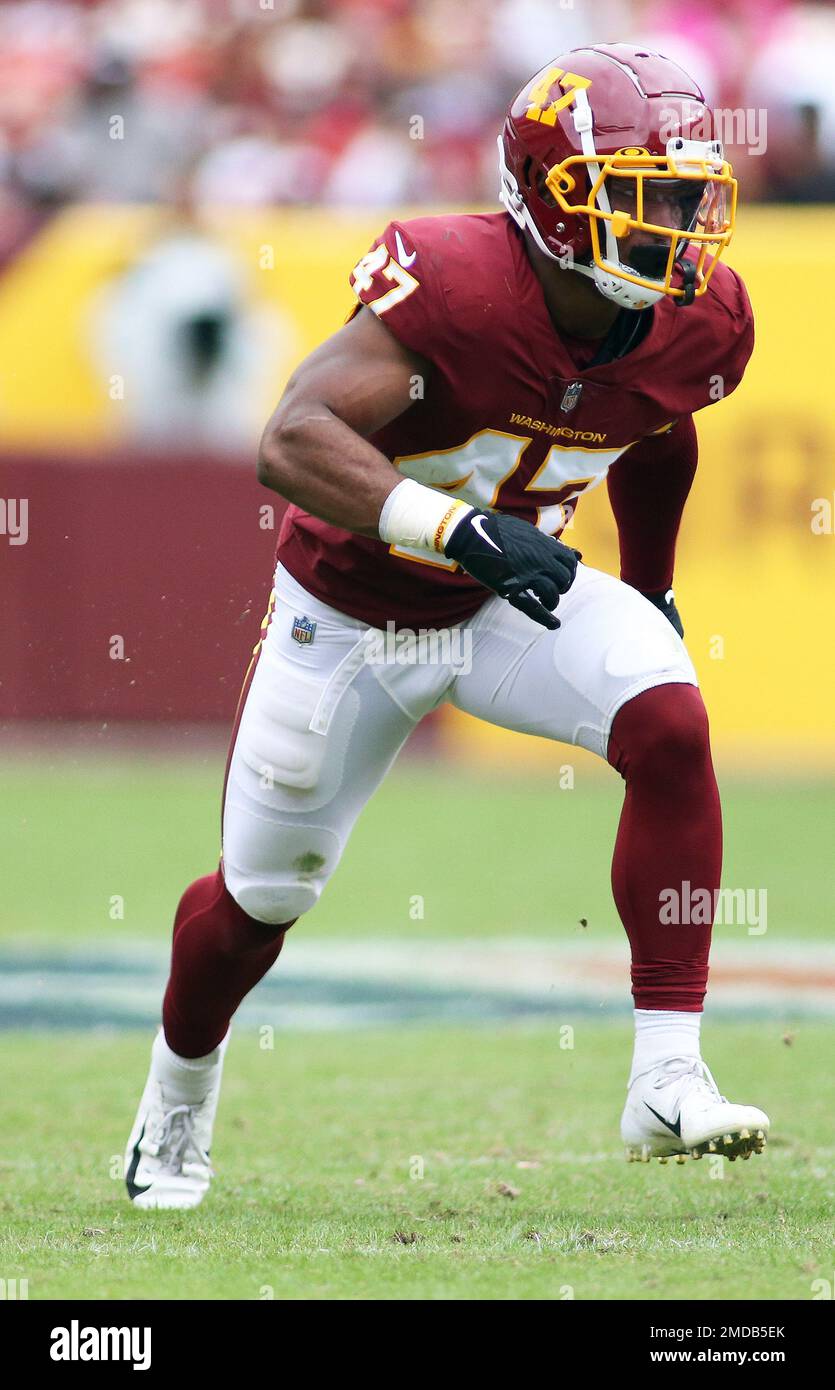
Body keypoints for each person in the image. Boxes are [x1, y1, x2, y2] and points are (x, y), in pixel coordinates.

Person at [125, 43, 768, 1208]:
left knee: (669, 718)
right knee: (261, 900)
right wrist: (458, 529)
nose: (675, 219)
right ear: (553, 198)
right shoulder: (460, 284)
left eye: (682, 191)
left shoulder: (699, 321)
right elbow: (294, 435)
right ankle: (176, 1096)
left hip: (502, 605)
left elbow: (658, 426)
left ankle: (664, 1076)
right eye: (642, 191)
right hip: (350, 614)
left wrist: (655, 583)